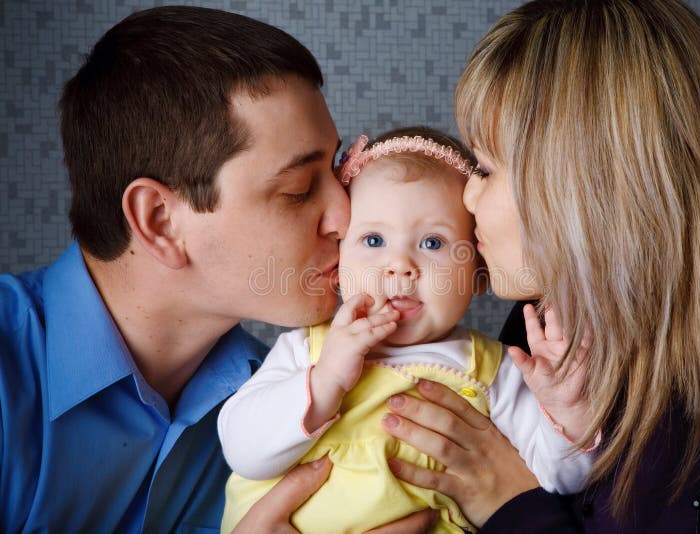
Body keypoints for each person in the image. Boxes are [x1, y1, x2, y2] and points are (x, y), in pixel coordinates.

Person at [0, 7, 434, 532]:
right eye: (299, 190)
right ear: (160, 221)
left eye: (336, 171)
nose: (346, 217)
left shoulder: (295, 392)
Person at [376, 0, 700, 532]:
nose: (466, 198)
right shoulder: (539, 331)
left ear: (587, 193)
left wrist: (509, 503)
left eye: (484, 169)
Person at [217, 126, 599, 533]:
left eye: (433, 243)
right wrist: (324, 381)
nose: (400, 265)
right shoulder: (307, 349)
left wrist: (569, 412)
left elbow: (558, 479)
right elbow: (243, 451)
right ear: (339, 262)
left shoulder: (497, 369)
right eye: (373, 240)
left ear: (478, 273)